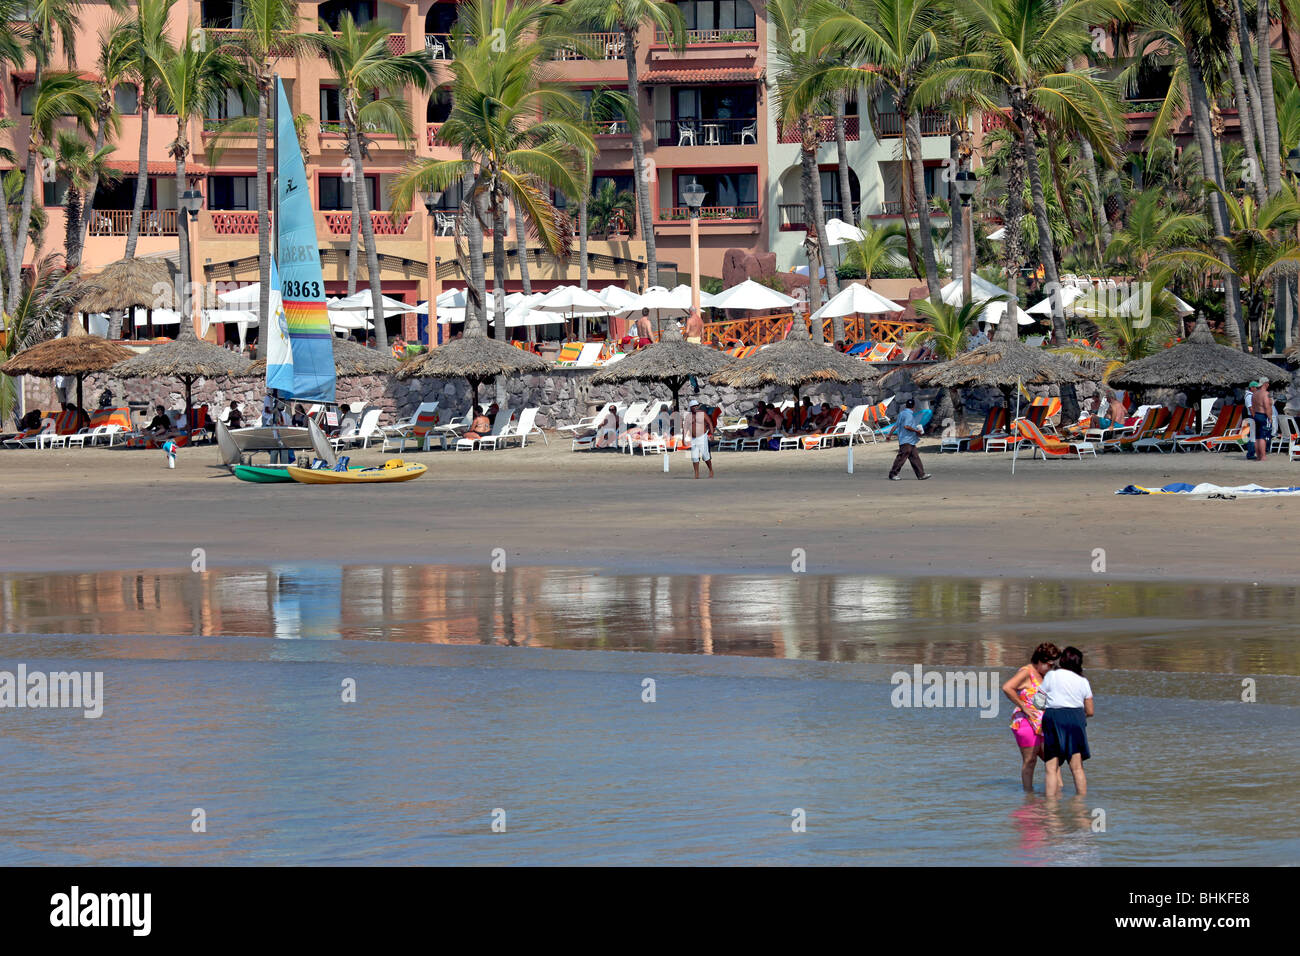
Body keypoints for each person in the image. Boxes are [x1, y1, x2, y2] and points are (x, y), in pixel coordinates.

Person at [1001, 643, 1061, 792]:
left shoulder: (1045, 674)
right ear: (1040, 660)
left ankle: (1058, 793)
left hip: (1043, 724)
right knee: (1030, 760)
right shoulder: (1027, 672)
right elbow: (1007, 687)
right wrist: (1024, 707)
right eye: (1049, 664)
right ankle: (1029, 795)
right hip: (1025, 722)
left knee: (1053, 761)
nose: (1051, 667)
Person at [1039, 646, 1094, 796]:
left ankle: (1050, 806)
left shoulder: (1051, 676)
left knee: (1051, 766)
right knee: (1077, 767)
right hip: (1076, 717)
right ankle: (1081, 804)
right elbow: (1090, 711)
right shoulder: (1083, 681)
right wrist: (1078, 717)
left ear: (1062, 660)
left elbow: (1038, 701)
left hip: (1054, 717)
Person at [888, 398, 931, 480]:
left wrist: (889, 435)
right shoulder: (909, 415)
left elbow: (895, 425)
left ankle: (921, 475)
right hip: (907, 440)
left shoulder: (902, 413)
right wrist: (917, 431)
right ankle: (893, 474)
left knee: (915, 457)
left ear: (906, 405)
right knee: (901, 457)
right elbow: (906, 426)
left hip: (908, 440)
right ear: (914, 406)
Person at [685, 399, 714, 478]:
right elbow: (685, 428)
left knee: (705, 456)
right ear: (690, 407)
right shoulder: (688, 417)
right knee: (694, 457)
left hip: (703, 436)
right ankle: (696, 474)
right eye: (693, 406)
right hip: (693, 438)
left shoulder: (702, 413)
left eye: (696, 406)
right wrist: (683, 438)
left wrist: (711, 433)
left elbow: (709, 423)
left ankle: (711, 470)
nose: (695, 407)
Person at [1248, 380, 1272, 461]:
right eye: (1268, 383)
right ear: (1264, 384)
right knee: (1263, 437)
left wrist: (1255, 416)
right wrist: (1270, 417)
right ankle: (1263, 456)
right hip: (1263, 415)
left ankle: (1258, 456)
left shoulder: (1254, 394)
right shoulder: (1265, 393)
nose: (1268, 384)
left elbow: (1253, 406)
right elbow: (1266, 406)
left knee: (1257, 437)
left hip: (1256, 415)